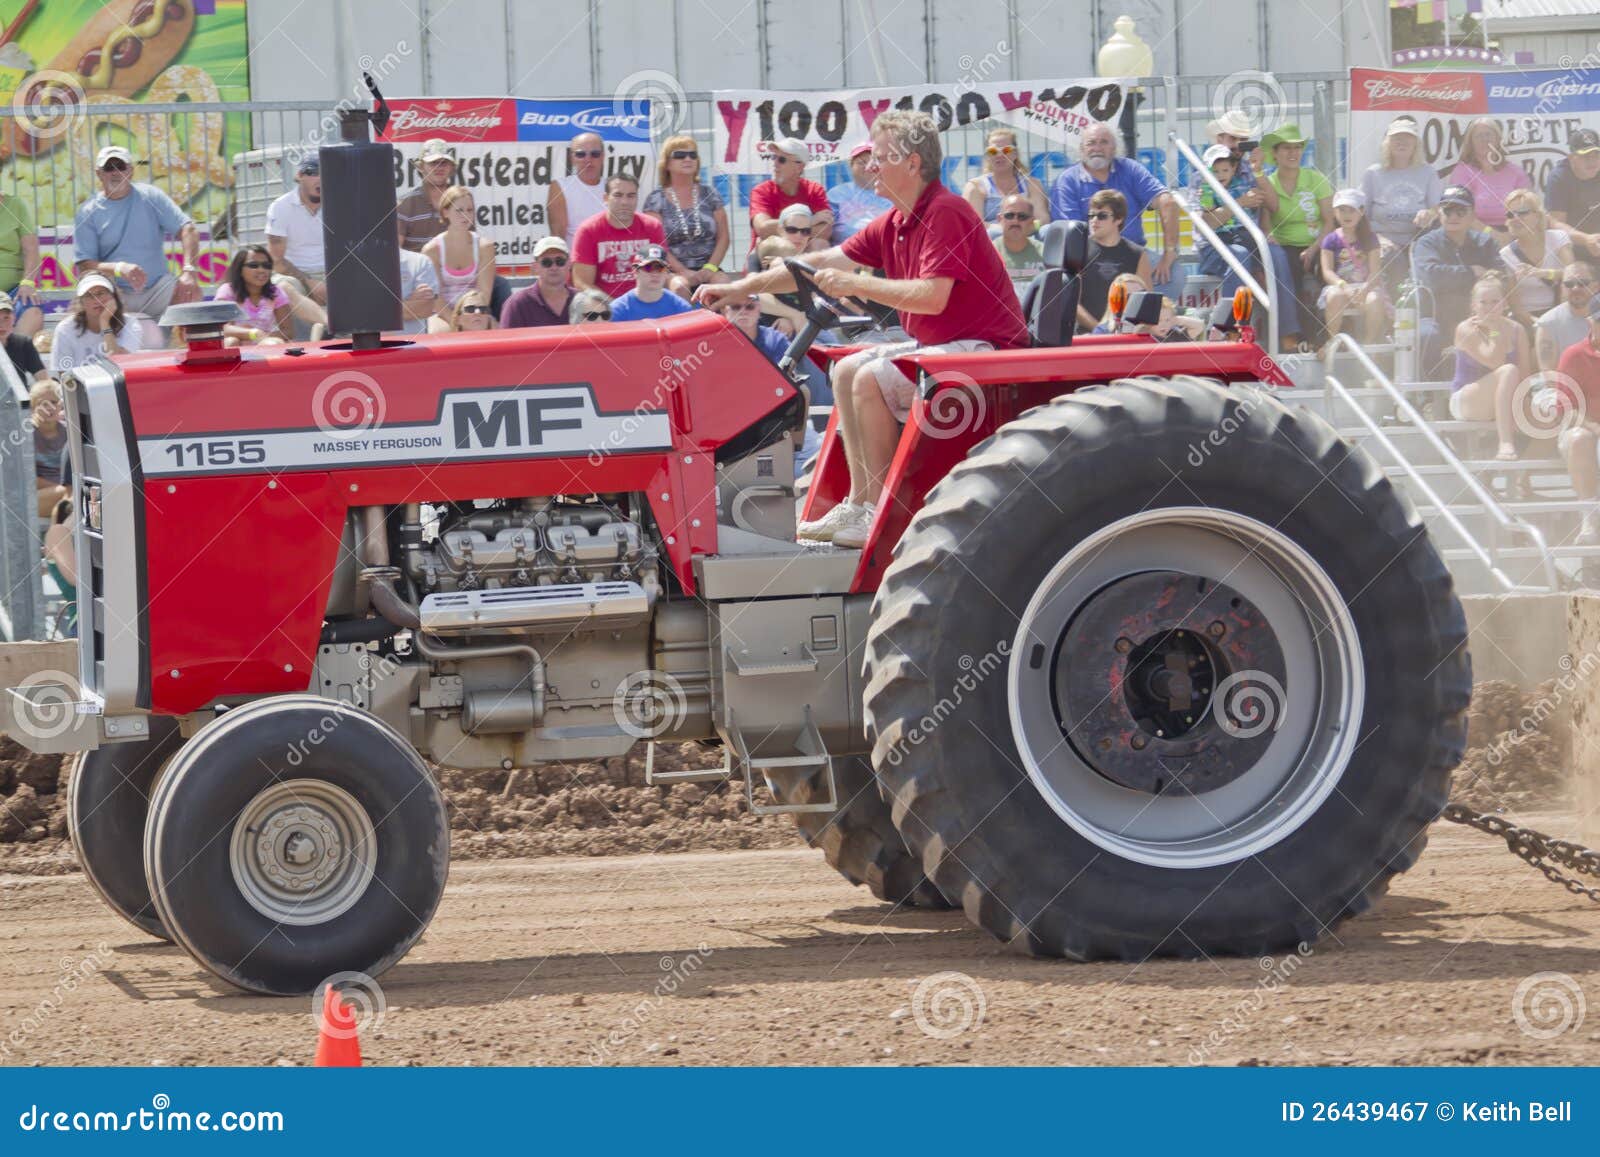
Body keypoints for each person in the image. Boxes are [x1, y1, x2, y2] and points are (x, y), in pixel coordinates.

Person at [696, 109, 1028, 550]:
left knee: (870, 376)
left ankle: (880, 511)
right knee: (846, 370)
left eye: (880, 157)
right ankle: (859, 501)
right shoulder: (895, 220)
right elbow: (814, 265)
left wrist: (855, 283)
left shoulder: (945, 212)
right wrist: (739, 285)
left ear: (911, 163)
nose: (870, 166)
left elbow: (932, 296)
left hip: (987, 353)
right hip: (954, 348)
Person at [73, 144, 200, 322]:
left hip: (159, 289)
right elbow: (85, 266)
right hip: (115, 294)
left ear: (131, 171)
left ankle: (182, 345)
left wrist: (189, 271)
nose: (115, 172)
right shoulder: (87, 211)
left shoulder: (152, 196)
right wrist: (118, 268)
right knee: (94, 298)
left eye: (120, 166)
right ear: (99, 173)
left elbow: (189, 229)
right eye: (109, 167)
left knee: (190, 291)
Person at [1049, 121, 1178, 285]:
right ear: (1081, 149)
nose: (1097, 148)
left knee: (1175, 275)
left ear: (1115, 148)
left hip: (1133, 254)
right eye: (1091, 143)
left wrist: (1170, 251)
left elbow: (1168, 202)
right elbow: (1071, 232)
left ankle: (1151, 310)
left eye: (1104, 142)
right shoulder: (1067, 181)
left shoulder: (1130, 169)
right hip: (1089, 257)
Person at [711, 291, 828, 469]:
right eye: (736, 307)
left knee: (817, 451)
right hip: (734, 425)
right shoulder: (714, 344)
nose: (743, 311)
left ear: (759, 310)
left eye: (749, 307)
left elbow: (789, 383)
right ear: (725, 311)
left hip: (776, 419)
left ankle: (794, 491)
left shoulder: (775, 340)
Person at [399, 140, 512, 316]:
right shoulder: (405, 204)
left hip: (460, 277)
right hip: (421, 278)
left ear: (452, 167)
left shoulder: (463, 198)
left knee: (501, 285)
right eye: (433, 162)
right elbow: (397, 253)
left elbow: (470, 241)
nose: (439, 167)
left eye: (444, 162)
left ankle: (503, 337)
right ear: (421, 167)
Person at [1194, 143, 1295, 334]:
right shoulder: (1204, 189)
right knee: (1240, 256)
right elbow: (1207, 223)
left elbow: (1270, 205)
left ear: (1233, 168)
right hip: (1217, 242)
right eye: (1215, 171)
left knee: (1277, 255)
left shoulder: (1242, 184)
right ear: (1207, 171)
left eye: (1225, 169)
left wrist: (1258, 173)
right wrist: (1239, 203)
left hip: (1246, 236)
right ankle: (1230, 327)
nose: (1221, 174)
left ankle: (1287, 331)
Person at [1413, 184, 1505, 377]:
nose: (1453, 216)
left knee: (1504, 331)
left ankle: (1497, 384)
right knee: (1426, 335)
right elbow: (1431, 278)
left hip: (1481, 316)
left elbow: (1500, 276)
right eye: (1448, 210)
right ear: (1439, 213)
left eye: (1461, 211)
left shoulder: (1485, 242)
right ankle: (1429, 395)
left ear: (1472, 215)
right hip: (1435, 316)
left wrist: (1488, 278)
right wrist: (1472, 273)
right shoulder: (1426, 243)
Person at [1261, 123, 1334, 352]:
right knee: (1288, 278)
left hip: (1319, 243)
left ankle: (1329, 338)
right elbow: (1265, 223)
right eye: (1286, 148)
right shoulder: (1268, 183)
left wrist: (1313, 249)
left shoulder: (1315, 179)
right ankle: (1303, 340)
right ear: (1275, 153)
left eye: (1297, 148)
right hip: (1286, 246)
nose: (1293, 153)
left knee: (1329, 277)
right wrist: (1270, 237)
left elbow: (1330, 221)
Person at [1449, 274, 1530, 461]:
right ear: (1473, 305)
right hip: (1467, 400)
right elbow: (1495, 361)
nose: (1489, 307)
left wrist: (1524, 405)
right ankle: (1505, 442)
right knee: (1509, 370)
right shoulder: (1465, 329)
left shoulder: (1517, 329)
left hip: (1504, 401)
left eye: (1495, 301)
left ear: (1505, 303)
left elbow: (1525, 375)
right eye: (1483, 302)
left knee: (1548, 416)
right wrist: (1494, 330)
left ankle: (1523, 479)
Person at [1360, 116, 1444, 291]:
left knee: (1424, 266)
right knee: (1393, 259)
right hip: (1383, 242)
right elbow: (1360, 215)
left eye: (1408, 138)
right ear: (1387, 143)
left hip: (1418, 241)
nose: (1402, 142)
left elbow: (1439, 208)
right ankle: (1396, 314)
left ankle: (1421, 312)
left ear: (1416, 145)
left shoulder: (1428, 172)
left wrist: (1429, 213)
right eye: (1396, 138)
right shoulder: (1373, 174)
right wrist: (1379, 239)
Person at [642, 135, 729, 299]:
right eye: (680, 155)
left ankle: (721, 325)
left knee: (723, 284)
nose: (688, 159)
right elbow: (657, 244)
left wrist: (709, 269)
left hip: (709, 267)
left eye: (693, 155)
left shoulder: (710, 194)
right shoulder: (655, 199)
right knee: (680, 287)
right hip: (671, 270)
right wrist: (682, 271)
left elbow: (724, 237)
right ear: (667, 163)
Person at [571, 174, 667, 300]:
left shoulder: (652, 227)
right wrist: (614, 308)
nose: (624, 202)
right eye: (618, 195)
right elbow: (582, 283)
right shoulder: (588, 230)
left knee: (680, 284)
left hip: (645, 301)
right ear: (606, 198)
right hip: (604, 307)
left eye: (631, 196)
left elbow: (660, 273)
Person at [1072, 189, 1151, 333]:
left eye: (1102, 216)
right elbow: (1072, 303)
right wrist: (1100, 330)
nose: (1094, 220)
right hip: (1087, 337)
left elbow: (1147, 303)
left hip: (1126, 336)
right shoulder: (1078, 250)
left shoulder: (1137, 254)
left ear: (1119, 219)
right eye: (1091, 215)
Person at [1555, 297, 1600, 540]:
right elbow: (1566, 407)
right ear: (1590, 322)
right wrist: (1594, 427)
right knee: (1580, 439)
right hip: (1583, 430)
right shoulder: (1573, 355)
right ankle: (1589, 520)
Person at [423, 186, 497, 331]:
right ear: (445, 212)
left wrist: (470, 320)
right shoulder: (431, 250)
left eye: (469, 210)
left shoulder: (485, 247)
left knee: (499, 334)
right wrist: (456, 323)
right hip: (443, 315)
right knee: (439, 334)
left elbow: (484, 296)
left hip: (477, 312)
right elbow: (436, 299)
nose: (465, 215)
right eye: (459, 210)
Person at [1499, 189, 1574, 329]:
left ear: (1538, 216)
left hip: (1563, 312)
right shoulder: (1505, 255)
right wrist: (1543, 327)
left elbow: (1572, 275)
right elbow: (1517, 309)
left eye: (1522, 212)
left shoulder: (1558, 238)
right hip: (1529, 321)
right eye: (1510, 214)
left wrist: (1542, 273)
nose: (1515, 218)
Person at [1318, 189, 1386, 344]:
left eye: (1352, 210)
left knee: (1374, 299)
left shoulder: (1370, 238)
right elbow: (1327, 271)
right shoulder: (1330, 239)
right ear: (1335, 212)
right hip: (1339, 285)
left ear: (1361, 211)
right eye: (1342, 210)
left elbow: (1375, 270)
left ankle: (1370, 344)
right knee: (1334, 296)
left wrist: (1366, 288)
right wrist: (1344, 286)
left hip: (1365, 285)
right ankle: (1332, 340)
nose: (1347, 215)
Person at [1450, 119, 1531, 239]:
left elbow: (1529, 208)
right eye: (1479, 136)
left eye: (1488, 134)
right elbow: (1459, 211)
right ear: (1471, 143)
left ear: (1498, 140)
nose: (1484, 139)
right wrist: (1492, 234)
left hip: (1513, 234)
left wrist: (1512, 235)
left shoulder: (1515, 171)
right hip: (1475, 235)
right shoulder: (1463, 172)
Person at [50, 274, 142, 375]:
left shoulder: (130, 324)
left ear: (113, 296)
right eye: (89, 296)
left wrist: (104, 322)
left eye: (100, 293)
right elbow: (64, 375)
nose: (96, 300)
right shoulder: (65, 328)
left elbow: (118, 364)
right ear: (81, 302)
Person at [748, 137, 831, 247]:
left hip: (803, 253)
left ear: (799, 167)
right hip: (769, 255)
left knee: (820, 244)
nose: (775, 163)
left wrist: (781, 229)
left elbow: (825, 232)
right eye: (773, 157)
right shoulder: (761, 190)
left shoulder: (814, 190)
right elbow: (763, 229)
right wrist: (810, 221)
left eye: (781, 160)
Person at [962, 127, 1050, 226]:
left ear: (1015, 154)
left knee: (1046, 230)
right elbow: (975, 225)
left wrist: (1023, 229)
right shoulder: (975, 186)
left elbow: (1042, 218)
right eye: (993, 151)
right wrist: (1006, 229)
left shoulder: (1032, 184)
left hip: (1027, 235)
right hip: (991, 238)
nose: (999, 155)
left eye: (1006, 150)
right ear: (987, 155)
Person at [1192, 110, 1275, 212]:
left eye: (1243, 139)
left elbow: (1273, 207)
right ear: (1219, 139)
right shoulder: (1201, 176)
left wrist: (1258, 171)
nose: (1237, 144)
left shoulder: (1253, 171)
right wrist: (1241, 202)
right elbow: (1201, 223)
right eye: (1233, 138)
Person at [212, 245, 291, 344]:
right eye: (253, 265)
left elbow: (288, 331)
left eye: (267, 266)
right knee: (231, 341)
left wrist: (261, 338)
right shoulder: (227, 291)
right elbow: (222, 328)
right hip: (236, 344)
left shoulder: (276, 292)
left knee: (273, 343)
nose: (262, 270)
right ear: (239, 269)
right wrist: (253, 334)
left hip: (263, 344)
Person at [545, 132, 608, 251]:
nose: (588, 159)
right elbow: (558, 239)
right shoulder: (560, 187)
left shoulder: (614, 188)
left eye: (595, 154)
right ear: (572, 158)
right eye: (580, 154)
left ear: (603, 156)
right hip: (577, 264)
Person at [1546, 128, 1600, 258]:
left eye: (1596, 155)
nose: (1592, 161)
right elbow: (1555, 223)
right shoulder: (1559, 177)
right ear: (1571, 158)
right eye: (1585, 156)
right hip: (1574, 246)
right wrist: (1587, 239)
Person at [1535, 261, 1595, 372]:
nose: (1575, 288)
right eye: (1569, 284)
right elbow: (1548, 373)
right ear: (1562, 288)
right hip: (1565, 387)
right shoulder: (1548, 323)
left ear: (1596, 286)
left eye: (1582, 283)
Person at [500, 236, 572, 329]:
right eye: (546, 262)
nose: (554, 267)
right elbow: (507, 341)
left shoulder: (582, 302)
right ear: (535, 267)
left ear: (569, 264)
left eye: (560, 261)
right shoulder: (517, 304)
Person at [610, 246, 695, 322]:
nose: (655, 274)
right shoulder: (617, 310)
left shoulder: (681, 307)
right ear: (635, 271)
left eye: (660, 268)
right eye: (648, 267)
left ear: (666, 273)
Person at [828, 141, 892, 242]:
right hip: (845, 252)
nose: (867, 166)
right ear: (851, 166)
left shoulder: (894, 194)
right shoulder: (836, 194)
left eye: (873, 162)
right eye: (861, 162)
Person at [0, 187, 42, 340]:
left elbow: (31, 250)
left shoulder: (16, 205)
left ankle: (12, 361)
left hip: (13, 292)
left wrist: (27, 282)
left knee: (33, 313)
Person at [992, 194, 1046, 293]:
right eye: (1009, 216)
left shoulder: (1045, 253)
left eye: (1022, 216)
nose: (1015, 222)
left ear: (1031, 221)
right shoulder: (988, 254)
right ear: (1000, 219)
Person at [30, 377, 67, 517]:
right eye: (42, 404)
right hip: (36, 497)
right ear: (33, 408)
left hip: (66, 492)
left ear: (60, 405)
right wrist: (61, 489)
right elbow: (28, 479)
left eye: (53, 402)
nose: (49, 408)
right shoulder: (25, 436)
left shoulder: (69, 432)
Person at [395, 247, 441, 336]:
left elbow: (424, 309)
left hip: (411, 347)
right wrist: (407, 304)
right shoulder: (359, 262)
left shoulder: (420, 261)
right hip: (363, 347)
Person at [0, 292, 44, 382]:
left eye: (6, 318)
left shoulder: (23, 343)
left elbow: (43, 380)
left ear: (14, 318)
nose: (1, 324)